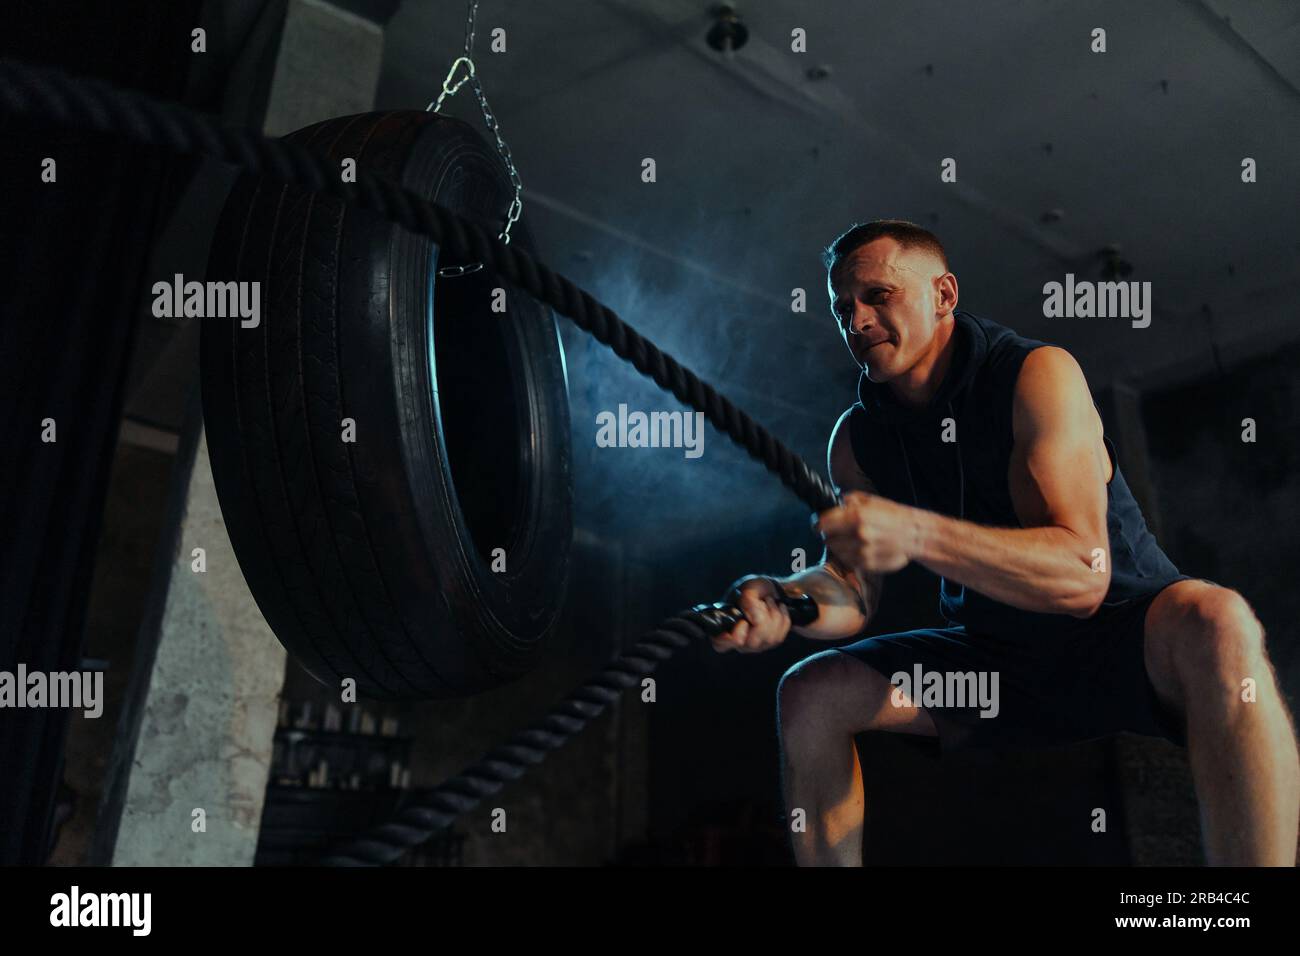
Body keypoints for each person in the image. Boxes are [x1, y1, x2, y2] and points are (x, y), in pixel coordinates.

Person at [711, 219, 1299, 866]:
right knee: (810, 693)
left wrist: (913, 531)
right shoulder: (858, 440)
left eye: (878, 295)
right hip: (995, 665)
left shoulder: (1035, 375)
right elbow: (850, 593)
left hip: (1118, 639)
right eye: (842, 307)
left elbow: (1082, 578)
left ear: (944, 294)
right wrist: (786, 601)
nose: (857, 320)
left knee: (1218, 619)